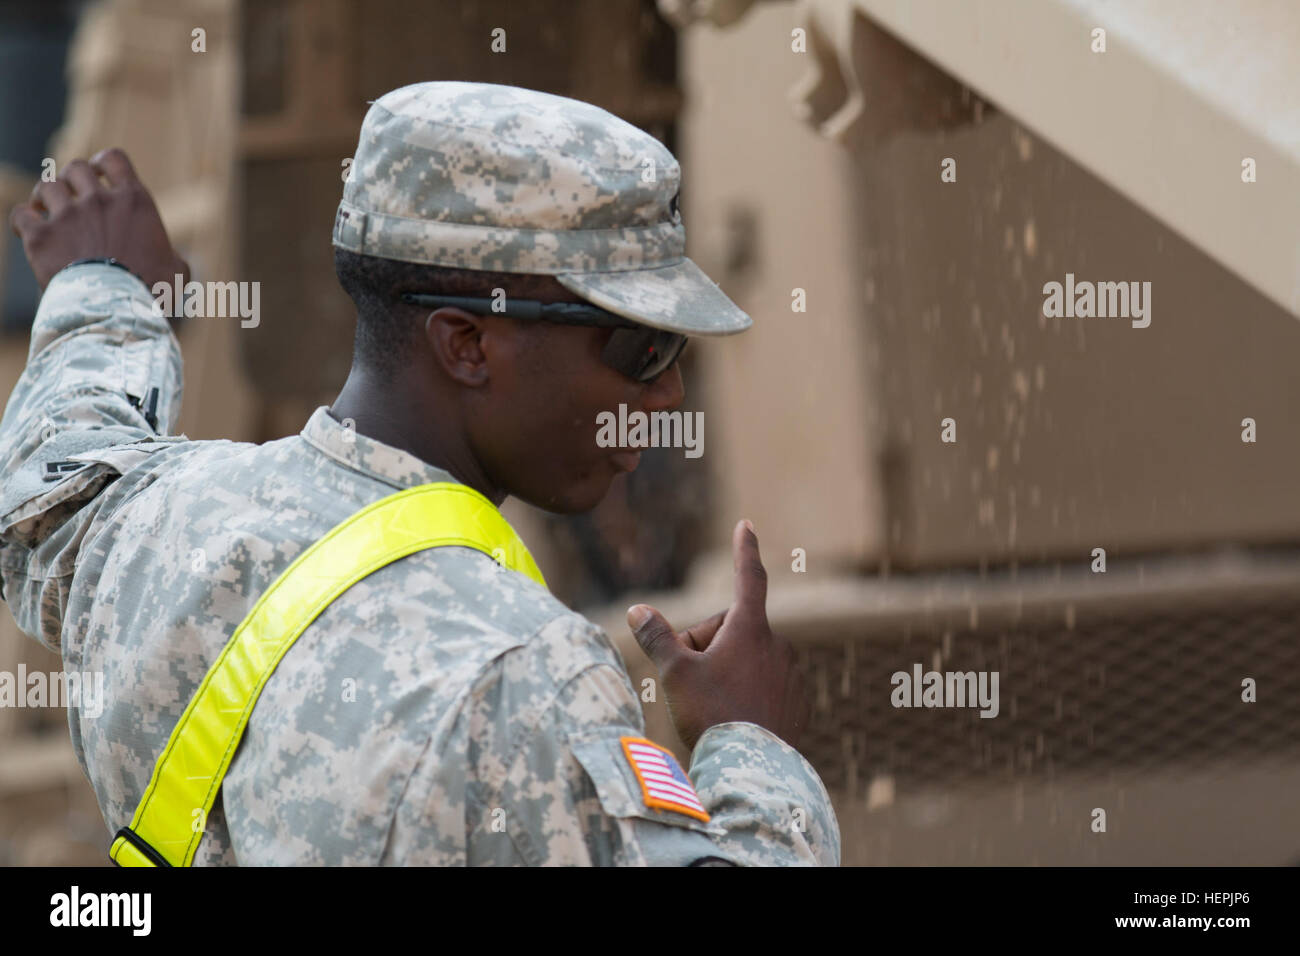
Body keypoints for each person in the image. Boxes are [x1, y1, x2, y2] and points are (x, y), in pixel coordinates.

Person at [1, 81, 839, 865]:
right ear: (468, 343)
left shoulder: (157, 528)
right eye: (640, 347)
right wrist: (755, 747)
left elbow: (46, 488)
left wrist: (103, 284)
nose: (669, 390)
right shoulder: (526, 679)